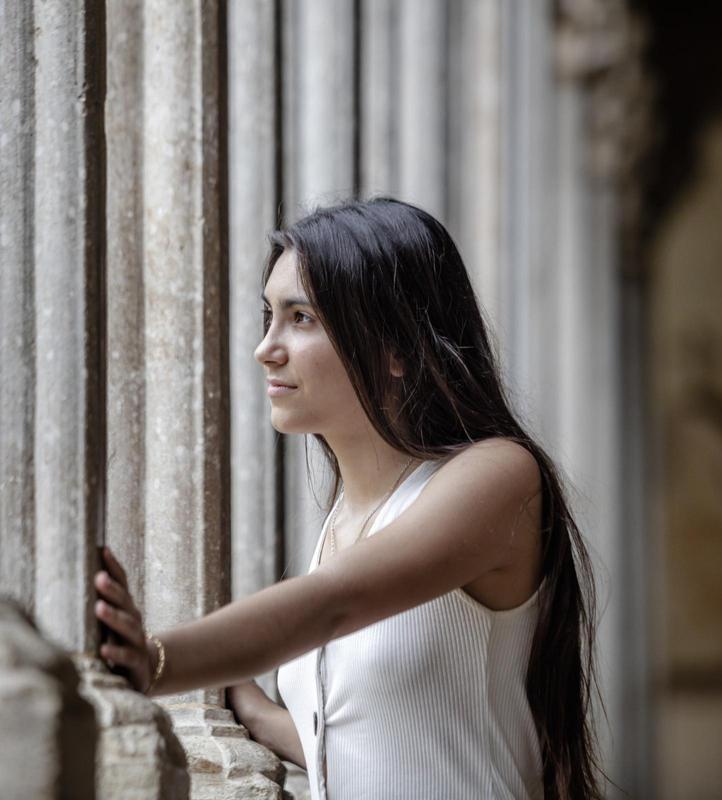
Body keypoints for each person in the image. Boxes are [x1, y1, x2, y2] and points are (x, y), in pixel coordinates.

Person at [94, 197, 600, 799]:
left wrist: (155, 659)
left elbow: (333, 603)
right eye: (269, 316)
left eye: (302, 317)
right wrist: (252, 711)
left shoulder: (499, 475)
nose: (266, 348)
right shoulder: (343, 518)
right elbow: (370, 741)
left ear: (397, 348)